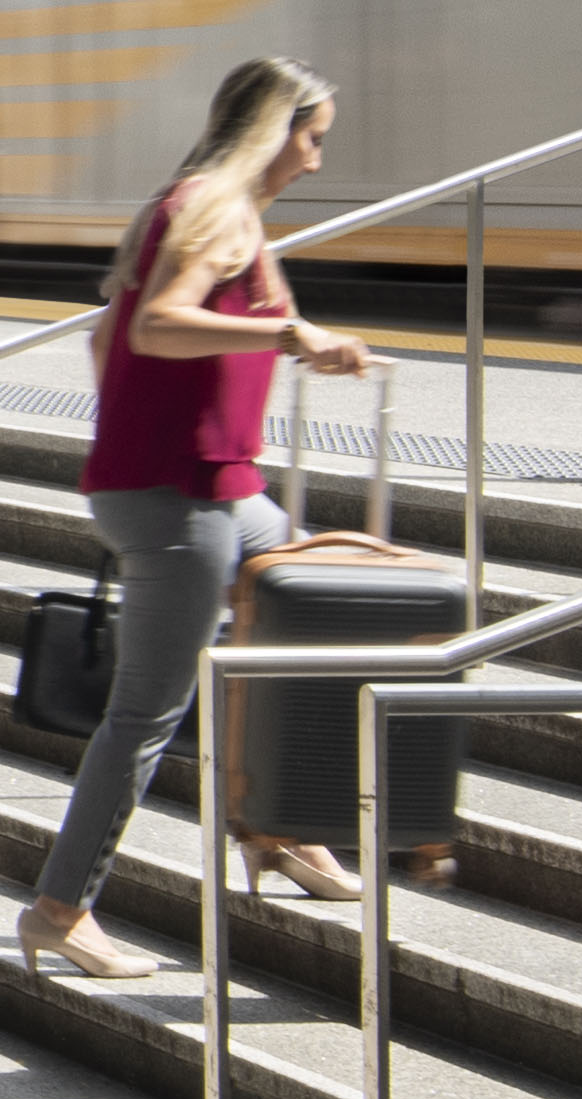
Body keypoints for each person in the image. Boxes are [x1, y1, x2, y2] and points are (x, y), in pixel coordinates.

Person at [19, 54, 377, 982]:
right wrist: (289, 335)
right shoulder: (215, 209)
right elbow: (153, 328)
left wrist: (149, 425)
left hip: (209, 482)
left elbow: (108, 338)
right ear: (273, 129)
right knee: (145, 712)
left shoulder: (206, 208)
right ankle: (63, 907)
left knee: (308, 596)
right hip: (179, 493)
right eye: (312, 137)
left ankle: (282, 826)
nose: (317, 159)